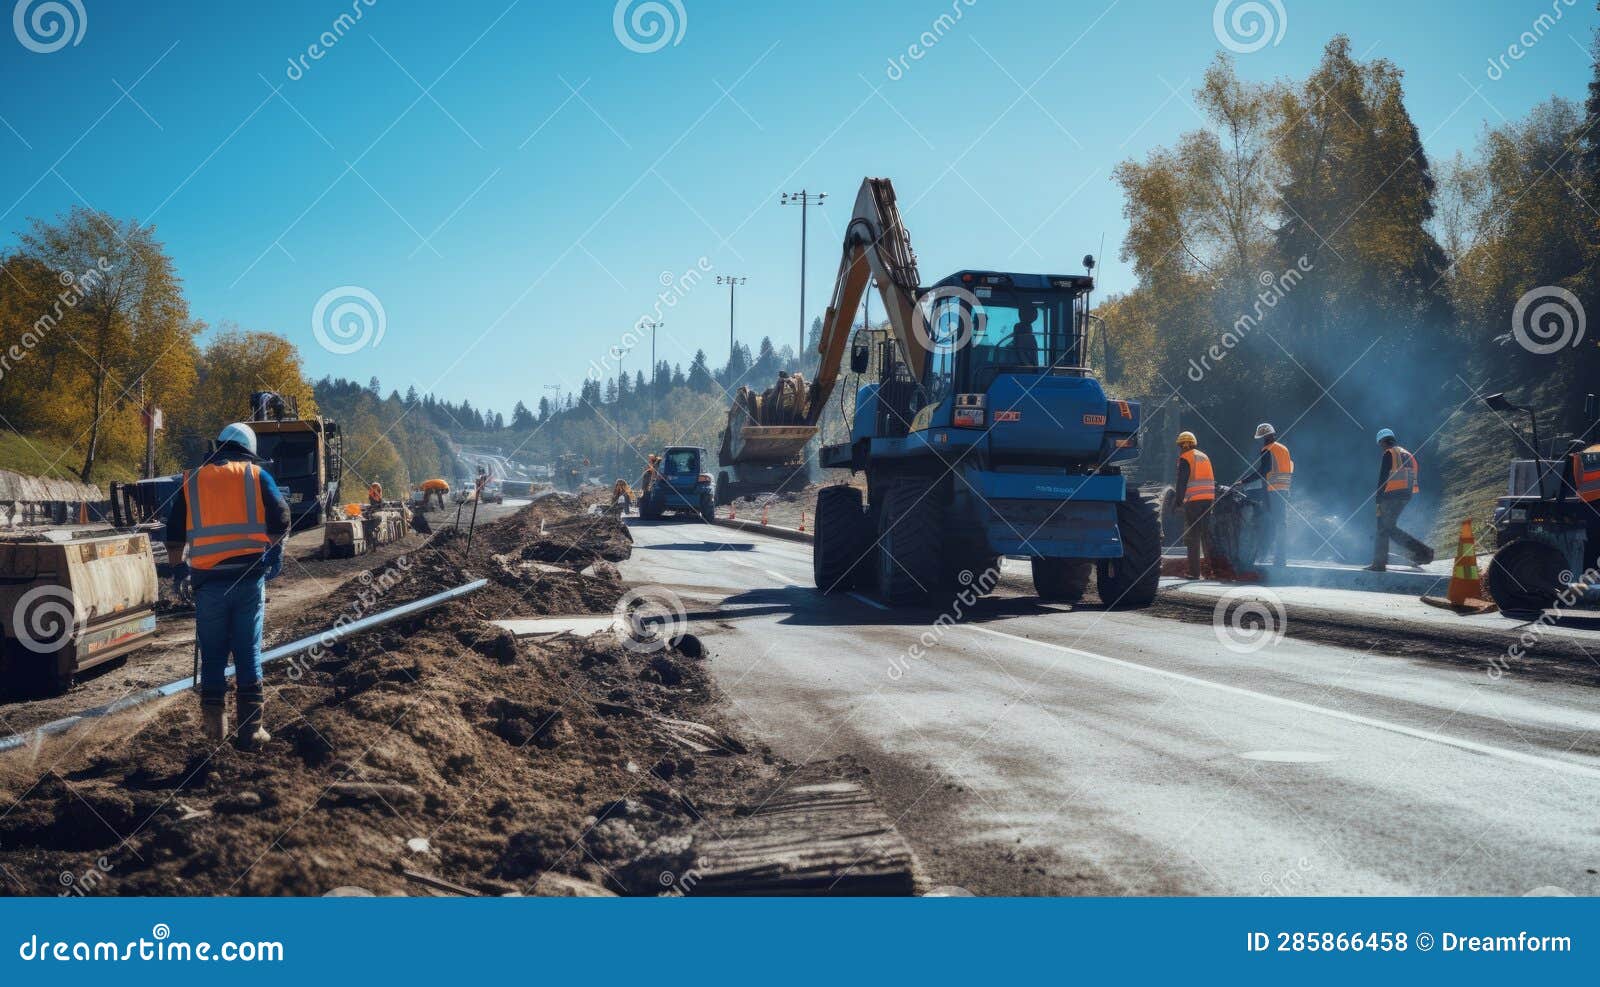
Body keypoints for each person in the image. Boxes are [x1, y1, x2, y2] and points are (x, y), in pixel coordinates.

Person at [164, 422, 291, 749]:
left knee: (213, 657)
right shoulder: (255, 475)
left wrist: (179, 570)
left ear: (218, 446)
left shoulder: (192, 480)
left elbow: (174, 533)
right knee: (248, 652)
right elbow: (281, 518)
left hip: (208, 584)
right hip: (248, 579)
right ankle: (251, 731)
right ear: (248, 451)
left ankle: (214, 735)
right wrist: (274, 553)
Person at [1367, 428, 1434, 571]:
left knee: (1382, 529)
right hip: (1405, 496)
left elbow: (1383, 477)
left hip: (1391, 495)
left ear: (1382, 442)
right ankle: (1424, 552)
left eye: (1380, 444)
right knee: (1389, 528)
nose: (1381, 447)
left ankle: (1379, 564)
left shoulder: (1389, 453)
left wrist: (1378, 498)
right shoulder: (1407, 454)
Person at [1241, 423, 1293, 567]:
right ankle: (1279, 558)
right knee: (1281, 524)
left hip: (1273, 491)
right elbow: (1289, 467)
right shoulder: (1284, 449)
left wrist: (1244, 481)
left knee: (1272, 523)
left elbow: (1263, 471)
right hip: (1284, 489)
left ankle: (1272, 557)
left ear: (1262, 437)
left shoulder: (1267, 449)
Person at [1174, 431, 1216, 580]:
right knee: (1206, 534)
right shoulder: (1204, 456)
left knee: (1193, 536)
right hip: (1209, 499)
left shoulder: (1185, 458)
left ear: (1182, 445)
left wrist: (1177, 502)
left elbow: (1182, 482)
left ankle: (1194, 572)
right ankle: (1212, 570)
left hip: (1194, 500)